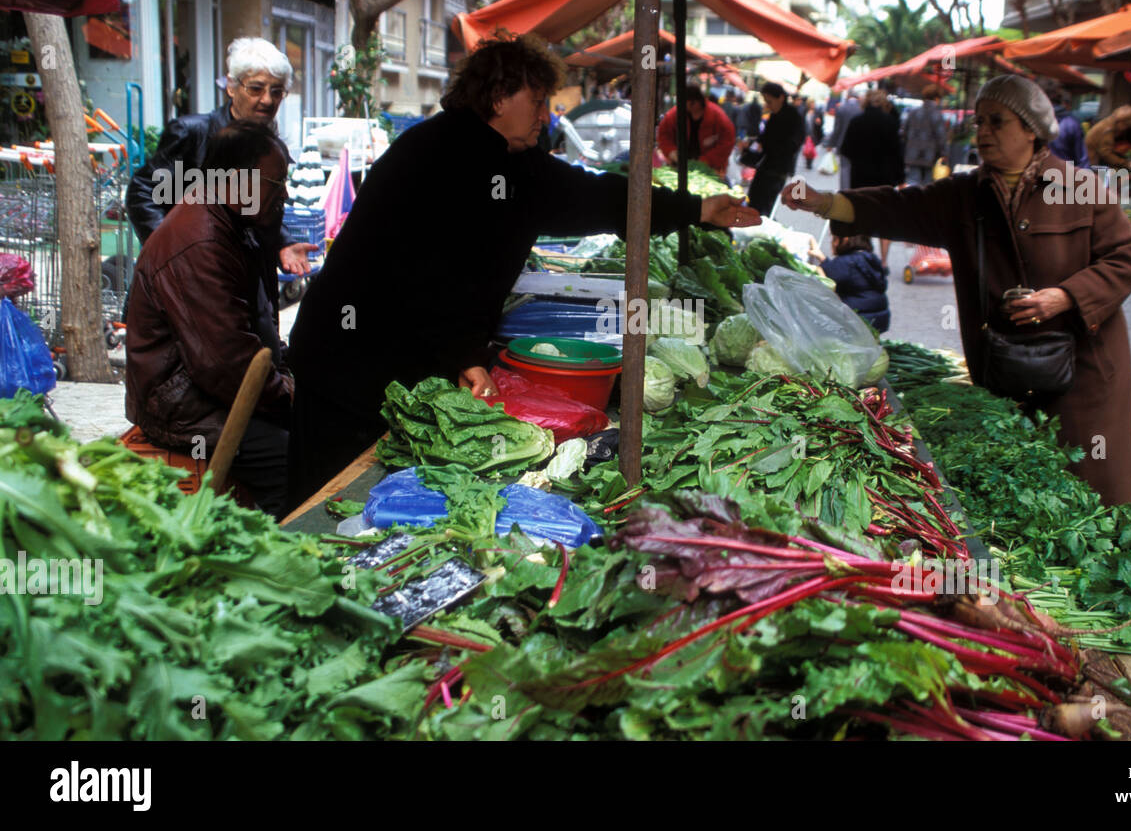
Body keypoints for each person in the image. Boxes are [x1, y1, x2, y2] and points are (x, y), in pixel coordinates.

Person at [286, 33, 755, 505]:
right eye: (537, 100)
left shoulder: (517, 163)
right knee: (326, 496)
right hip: (346, 361)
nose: (546, 115)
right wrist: (463, 352)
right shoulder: (436, 154)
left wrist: (695, 209)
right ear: (497, 97)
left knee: (373, 489)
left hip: (400, 363)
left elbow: (599, 196)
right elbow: (422, 270)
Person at [780, 74, 1131, 506]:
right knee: (1027, 493)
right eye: (979, 122)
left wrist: (1065, 297)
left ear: (1030, 128)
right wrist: (824, 202)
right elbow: (900, 207)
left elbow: (1124, 256)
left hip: (1082, 372)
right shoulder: (967, 194)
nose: (983, 132)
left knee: (1091, 488)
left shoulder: (1081, 187)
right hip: (1008, 370)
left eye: (997, 121)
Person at [125, 121, 295, 518]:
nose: (283, 194)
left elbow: (253, 330)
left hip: (203, 388)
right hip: (182, 405)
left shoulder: (228, 223)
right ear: (238, 181)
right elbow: (225, 365)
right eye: (276, 182)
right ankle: (268, 560)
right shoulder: (201, 239)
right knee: (288, 457)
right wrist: (287, 395)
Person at [126, 37, 316, 276]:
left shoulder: (273, 147)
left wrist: (283, 242)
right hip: (187, 281)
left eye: (276, 91)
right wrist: (174, 252)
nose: (267, 100)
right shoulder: (192, 132)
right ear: (231, 86)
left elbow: (257, 211)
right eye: (256, 89)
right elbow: (143, 192)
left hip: (243, 280)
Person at [839, 89, 903, 270]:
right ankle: (883, 261)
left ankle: (862, 254)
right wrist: (899, 178)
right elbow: (897, 153)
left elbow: (846, 151)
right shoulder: (891, 122)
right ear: (883, 104)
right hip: (885, 179)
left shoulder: (856, 122)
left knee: (861, 216)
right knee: (885, 220)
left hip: (860, 178)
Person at [743, 81, 804, 217]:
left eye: (769, 101)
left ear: (781, 98)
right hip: (767, 166)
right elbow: (764, 138)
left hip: (777, 169)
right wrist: (755, 144)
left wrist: (766, 145)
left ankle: (762, 229)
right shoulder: (775, 115)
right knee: (755, 201)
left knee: (763, 205)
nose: (767, 105)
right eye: (766, 101)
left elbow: (793, 144)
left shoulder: (792, 117)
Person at [655, 84, 736, 176]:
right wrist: (671, 151)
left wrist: (705, 161)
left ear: (695, 102)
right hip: (678, 167)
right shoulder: (675, 114)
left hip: (711, 170)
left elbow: (727, 142)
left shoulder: (718, 116)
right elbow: (664, 135)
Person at [821, 233, 890, 333]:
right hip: (880, 317)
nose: (832, 244)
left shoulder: (845, 261)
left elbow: (829, 277)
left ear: (845, 239)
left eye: (834, 239)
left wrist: (822, 261)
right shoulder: (870, 257)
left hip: (859, 318)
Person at [901, 84, 947, 186]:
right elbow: (941, 137)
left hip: (912, 154)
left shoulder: (913, 112)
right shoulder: (937, 114)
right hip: (929, 156)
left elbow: (904, 133)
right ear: (937, 98)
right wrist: (944, 153)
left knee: (912, 183)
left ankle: (911, 201)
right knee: (927, 185)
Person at [1039, 79, 1088, 168]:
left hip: (1036, 178)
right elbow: (1082, 161)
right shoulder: (1071, 123)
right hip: (1065, 177)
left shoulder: (1031, 123)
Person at [1085, 105, 1131, 169]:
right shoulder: (1108, 130)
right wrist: (1127, 164)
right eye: (1127, 125)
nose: (1125, 129)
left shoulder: (1108, 122)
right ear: (1121, 122)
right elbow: (1106, 154)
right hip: (1092, 164)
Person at [827, 89, 862, 191]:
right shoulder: (862, 108)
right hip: (859, 144)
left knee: (844, 168)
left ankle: (845, 190)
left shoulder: (842, 108)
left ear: (847, 96)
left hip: (843, 143)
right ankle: (855, 189)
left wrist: (831, 143)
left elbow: (837, 128)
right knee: (855, 168)